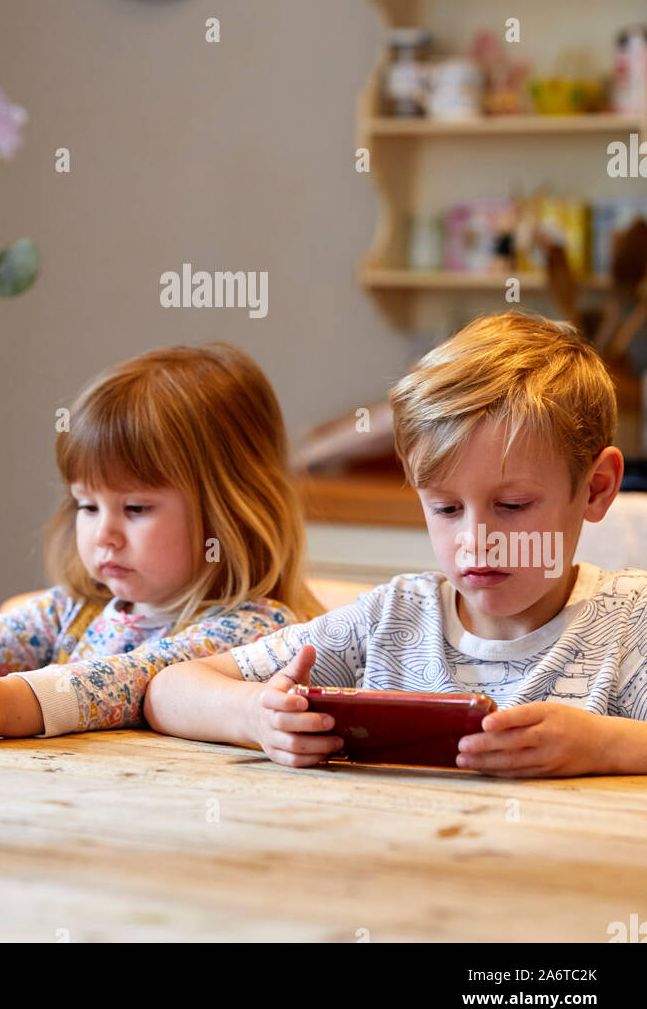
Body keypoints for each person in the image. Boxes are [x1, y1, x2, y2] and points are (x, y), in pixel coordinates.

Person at [145, 311, 647, 778]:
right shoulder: (391, 620)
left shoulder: (630, 621)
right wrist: (256, 718)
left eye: (512, 506)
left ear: (596, 488)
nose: (476, 542)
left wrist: (605, 745)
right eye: (446, 509)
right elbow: (168, 689)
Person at [0, 342, 322, 744]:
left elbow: (126, 681)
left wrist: (4, 705)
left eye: (136, 509)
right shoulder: (78, 610)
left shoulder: (257, 631)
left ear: (231, 511)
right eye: (88, 506)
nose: (104, 535)